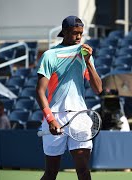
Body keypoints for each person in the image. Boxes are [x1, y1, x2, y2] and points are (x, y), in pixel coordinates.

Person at [36, 15, 102, 180]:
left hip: (79, 117)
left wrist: (88, 61)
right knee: (51, 172)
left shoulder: (84, 53)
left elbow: (98, 88)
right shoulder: (49, 55)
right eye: (74, 33)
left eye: (81, 33)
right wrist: (50, 119)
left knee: (83, 170)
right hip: (55, 116)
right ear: (64, 32)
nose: (79, 37)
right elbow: (39, 91)